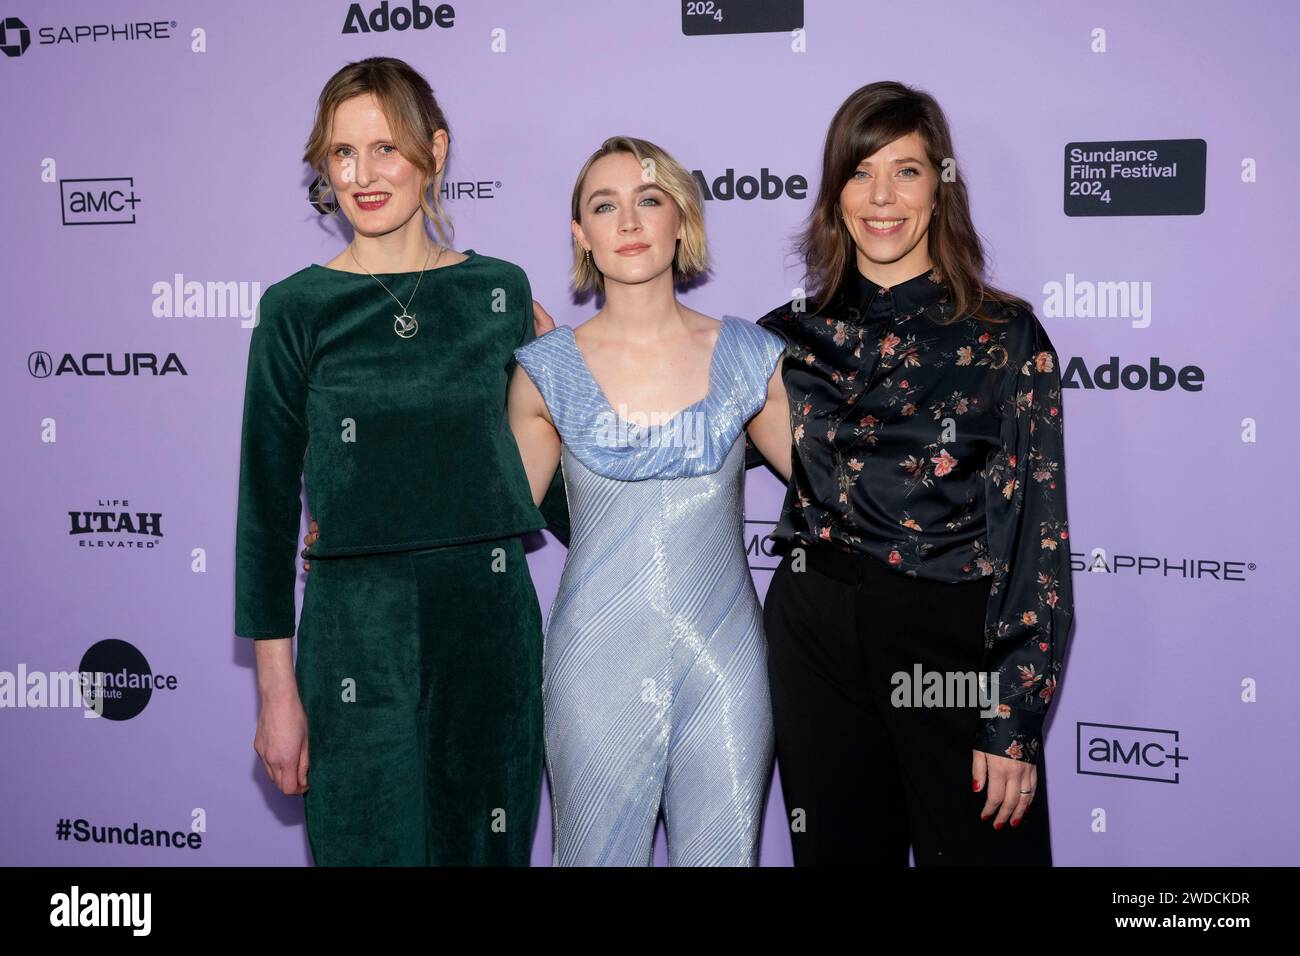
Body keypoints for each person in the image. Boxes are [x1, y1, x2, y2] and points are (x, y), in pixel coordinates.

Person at [235, 56, 566, 866]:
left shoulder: (499, 294)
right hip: (353, 626)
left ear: (436, 151)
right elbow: (267, 511)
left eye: (386, 149)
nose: (362, 175)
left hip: (485, 618)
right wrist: (277, 693)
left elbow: (555, 479)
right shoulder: (295, 309)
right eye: (342, 154)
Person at [752, 81, 1075, 866]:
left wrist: (1012, 715)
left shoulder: (1005, 338)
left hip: (950, 646)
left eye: (906, 170)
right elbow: (657, 401)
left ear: (941, 187)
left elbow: (1037, 538)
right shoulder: (781, 341)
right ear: (834, 196)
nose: (881, 197)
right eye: (859, 173)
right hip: (816, 631)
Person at [508, 137, 791, 865]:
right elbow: (488, 522)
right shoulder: (545, 372)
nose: (628, 221)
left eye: (649, 199)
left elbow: (845, 498)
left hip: (726, 667)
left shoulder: (750, 356)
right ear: (583, 235)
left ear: (681, 220)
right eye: (605, 206)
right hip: (591, 672)